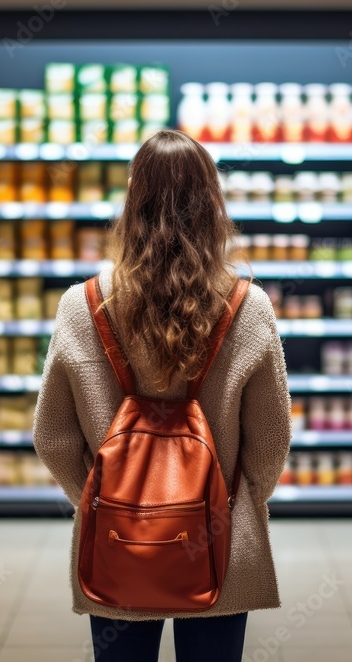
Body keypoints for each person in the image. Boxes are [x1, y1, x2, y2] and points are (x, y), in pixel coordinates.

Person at [33, 129, 292, 662]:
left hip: (118, 546)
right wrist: (225, 509)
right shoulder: (250, 306)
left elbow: (52, 436)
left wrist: (107, 501)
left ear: (132, 201)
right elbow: (271, 439)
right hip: (219, 545)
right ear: (213, 203)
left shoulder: (81, 305)